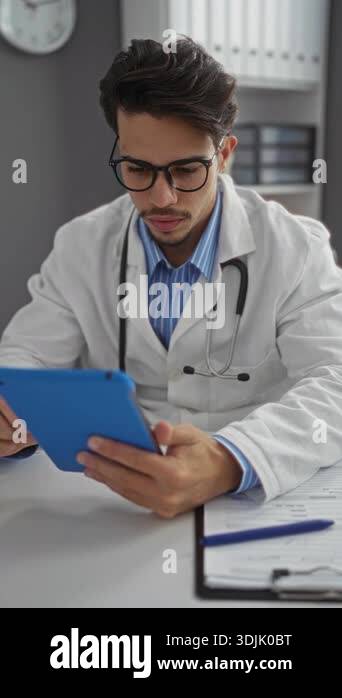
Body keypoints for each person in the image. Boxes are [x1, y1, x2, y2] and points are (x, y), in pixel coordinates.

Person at [1, 36, 342, 519]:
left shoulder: (295, 248)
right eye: (138, 168)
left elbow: (336, 380)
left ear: (224, 155)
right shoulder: (82, 245)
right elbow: (26, 356)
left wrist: (231, 459)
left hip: (250, 493)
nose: (161, 198)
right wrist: (12, 416)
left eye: (186, 170)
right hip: (114, 499)